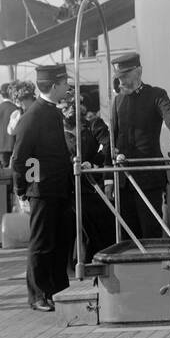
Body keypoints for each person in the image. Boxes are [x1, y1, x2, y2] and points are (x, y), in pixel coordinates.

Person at [11, 64, 74, 312]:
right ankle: (38, 294)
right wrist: (24, 189)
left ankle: (58, 290)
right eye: (65, 82)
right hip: (42, 191)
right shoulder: (33, 116)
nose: (68, 87)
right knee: (41, 243)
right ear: (55, 85)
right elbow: (22, 158)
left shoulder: (53, 112)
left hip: (59, 188)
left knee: (61, 241)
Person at [109, 51, 170, 239]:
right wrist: (108, 178)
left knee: (150, 232)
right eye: (119, 77)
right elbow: (112, 138)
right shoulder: (117, 101)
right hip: (123, 180)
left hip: (148, 179)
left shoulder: (156, 95)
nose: (121, 82)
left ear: (139, 72)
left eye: (125, 76)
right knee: (127, 236)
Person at [63, 88, 114, 260]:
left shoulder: (94, 125)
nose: (70, 110)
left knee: (98, 222)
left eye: (72, 106)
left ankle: (95, 258)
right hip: (66, 187)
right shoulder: (55, 130)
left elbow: (108, 145)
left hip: (90, 185)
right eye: (65, 107)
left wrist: (94, 163)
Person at [0, 82, 16, 168]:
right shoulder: (16, 108)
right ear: (12, 94)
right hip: (13, 144)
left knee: (1, 170)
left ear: (1, 95)